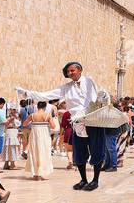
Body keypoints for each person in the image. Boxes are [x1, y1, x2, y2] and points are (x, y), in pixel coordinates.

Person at [18, 62, 108, 191]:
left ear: (80, 70)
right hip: (77, 121)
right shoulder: (66, 88)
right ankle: (83, 179)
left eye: (72, 70)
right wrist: (28, 93)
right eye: (68, 72)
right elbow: (47, 95)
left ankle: (95, 180)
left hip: (94, 120)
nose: (70, 73)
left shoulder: (90, 81)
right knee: (79, 151)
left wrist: (103, 99)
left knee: (96, 149)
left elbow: (100, 93)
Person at [24, 101, 56, 180]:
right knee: (43, 152)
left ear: (37, 107)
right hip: (44, 135)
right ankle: (40, 173)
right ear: (45, 107)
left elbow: (24, 124)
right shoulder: (47, 115)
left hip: (34, 134)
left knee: (34, 152)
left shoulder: (32, 115)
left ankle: (35, 173)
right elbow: (53, 126)